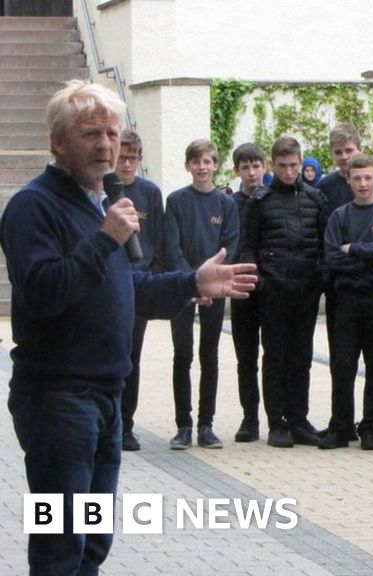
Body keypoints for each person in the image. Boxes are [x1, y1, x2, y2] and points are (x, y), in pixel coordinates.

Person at [1, 79, 255, 576]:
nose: (104, 145)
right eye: (90, 133)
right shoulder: (34, 206)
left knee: (94, 541)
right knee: (60, 544)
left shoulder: (100, 205)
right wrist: (104, 240)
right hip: (56, 398)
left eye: (112, 134)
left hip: (106, 395)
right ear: (58, 142)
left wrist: (191, 281)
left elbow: (128, 290)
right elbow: (43, 291)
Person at [239, 136, 328, 449]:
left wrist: (320, 278)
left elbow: (324, 245)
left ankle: (299, 420)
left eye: (294, 165)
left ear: (301, 163)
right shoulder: (260, 200)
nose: (289, 171)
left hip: (306, 290)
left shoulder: (316, 199)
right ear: (272, 166)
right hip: (273, 291)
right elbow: (247, 247)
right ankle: (278, 423)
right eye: (283, 166)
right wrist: (260, 280)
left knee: (301, 358)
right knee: (275, 357)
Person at [321, 153, 373, 450]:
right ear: (349, 180)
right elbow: (331, 258)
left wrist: (352, 248)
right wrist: (370, 259)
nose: (363, 183)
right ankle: (341, 427)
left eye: (368, 177)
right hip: (347, 300)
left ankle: (371, 427)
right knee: (343, 365)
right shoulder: (339, 216)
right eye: (357, 178)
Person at [163, 139, 240, 450]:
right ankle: (184, 425)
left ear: (215, 165)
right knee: (182, 355)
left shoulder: (226, 204)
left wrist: (210, 283)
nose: (202, 167)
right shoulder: (176, 200)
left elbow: (229, 246)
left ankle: (206, 425)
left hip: (214, 289)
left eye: (207, 161)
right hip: (182, 288)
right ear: (188, 166)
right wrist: (191, 283)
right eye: (196, 161)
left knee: (210, 356)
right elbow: (172, 246)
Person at [116, 128, 165, 452]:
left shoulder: (149, 192)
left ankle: (127, 425)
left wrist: (157, 278)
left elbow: (157, 240)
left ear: (140, 159)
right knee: (111, 356)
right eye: (122, 158)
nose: (127, 164)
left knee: (132, 358)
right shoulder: (106, 189)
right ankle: (110, 422)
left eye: (132, 158)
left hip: (141, 283)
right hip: (110, 285)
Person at [229, 142, 268, 442]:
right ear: (237, 171)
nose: (252, 172)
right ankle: (249, 417)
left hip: (271, 288)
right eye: (246, 167)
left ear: (265, 167)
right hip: (241, 287)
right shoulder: (231, 204)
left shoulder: (271, 199)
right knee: (246, 357)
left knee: (275, 356)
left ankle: (278, 416)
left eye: (256, 166)